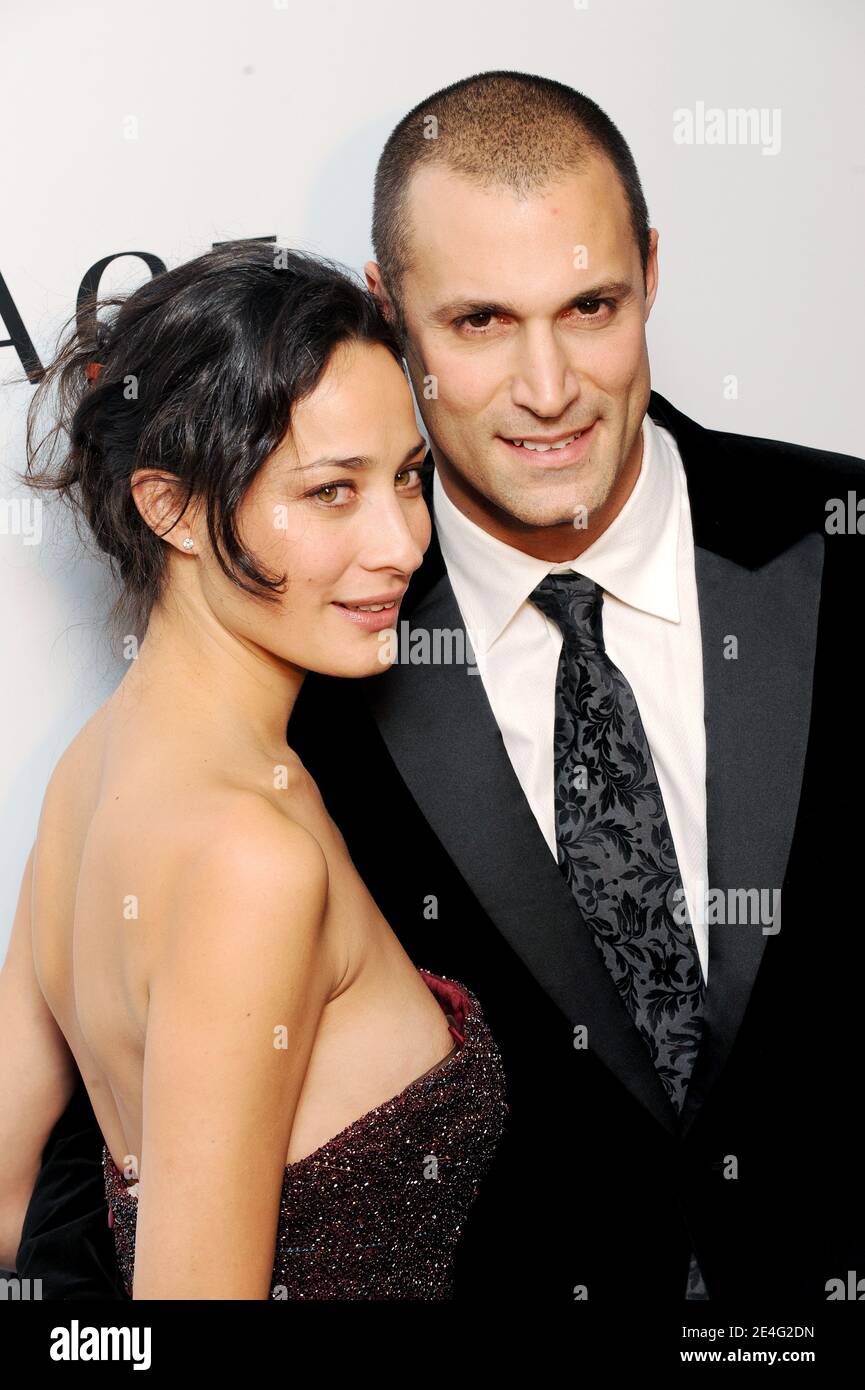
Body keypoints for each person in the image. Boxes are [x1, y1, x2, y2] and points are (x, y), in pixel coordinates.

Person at [14, 67, 865, 1304]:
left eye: (590, 306)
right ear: (389, 310)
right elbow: (97, 1190)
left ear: (652, 272)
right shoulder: (306, 655)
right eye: (477, 322)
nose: (548, 388)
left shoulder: (839, 541)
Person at [0, 239, 507, 1299]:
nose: (400, 543)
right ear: (170, 507)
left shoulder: (90, 769)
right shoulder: (249, 858)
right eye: (330, 493)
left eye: (407, 479)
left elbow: (6, 1202)